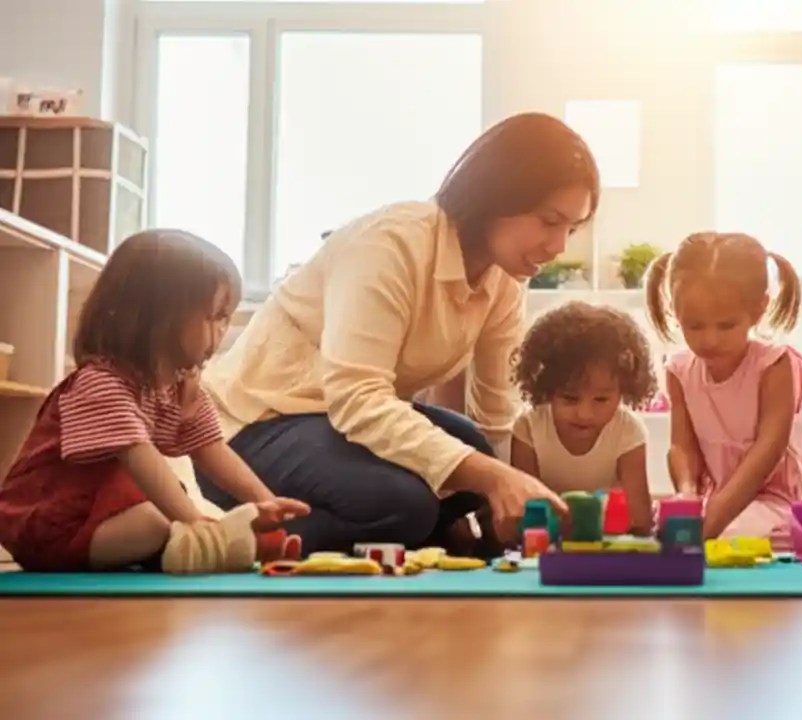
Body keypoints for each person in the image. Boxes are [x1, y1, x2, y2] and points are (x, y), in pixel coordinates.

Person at [197, 112, 599, 554]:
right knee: (404, 503)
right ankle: (219, 535)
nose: (560, 246)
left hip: (333, 423)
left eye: (572, 228)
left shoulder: (502, 280)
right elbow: (356, 397)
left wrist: (505, 496)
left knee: (471, 446)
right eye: (549, 220)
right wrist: (494, 478)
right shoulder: (389, 245)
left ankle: (415, 536)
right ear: (499, 195)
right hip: (258, 423)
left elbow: (493, 414)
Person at [0, 231, 310, 573]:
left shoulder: (175, 387)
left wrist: (266, 501)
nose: (222, 330)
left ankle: (215, 544)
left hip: (99, 515)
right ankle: (211, 548)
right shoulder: (100, 384)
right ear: (160, 315)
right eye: (216, 316)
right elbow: (141, 461)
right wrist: (198, 525)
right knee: (161, 518)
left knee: (170, 510)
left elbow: (211, 448)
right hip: (51, 524)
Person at [645, 232, 802, 547]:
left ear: (758, 310)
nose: (709, 340)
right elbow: (682, 447)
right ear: (675, 312)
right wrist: (686, 494)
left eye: (726, 325)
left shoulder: (774, 365)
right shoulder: (680, 371)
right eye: (695, 326)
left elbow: (769, 449)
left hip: (781, 504)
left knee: (726, 536)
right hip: (721, 502)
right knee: (658, 527)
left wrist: (713, 519)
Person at [509, 301, 658, 534]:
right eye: (569, 398)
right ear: (547, 389)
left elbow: (639, 519)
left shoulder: (629, 432)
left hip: (607, 540)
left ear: (625, 390)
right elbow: (525, 511)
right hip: (548, 541)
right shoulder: (529, 428)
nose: (584, 414)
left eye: (601, 400)